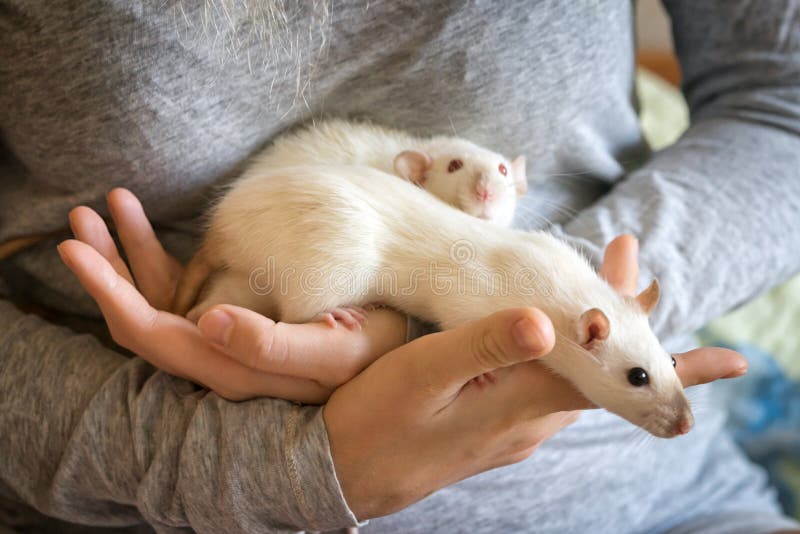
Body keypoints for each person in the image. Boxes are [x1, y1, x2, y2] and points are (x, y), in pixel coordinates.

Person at [1, 1, 798, 532]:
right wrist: (256, 464)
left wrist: (405, 342)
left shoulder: (564, 295)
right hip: (139, 484)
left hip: (664, 508)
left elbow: (782, 100)